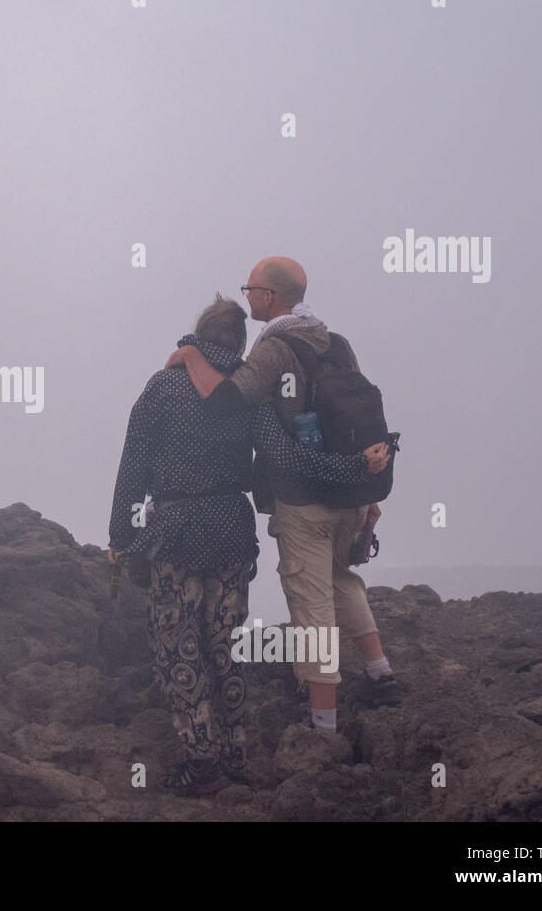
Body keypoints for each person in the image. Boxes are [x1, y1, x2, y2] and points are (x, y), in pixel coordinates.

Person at [109, 294, 388, 794]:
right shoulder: (249, 397)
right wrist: (355, 470)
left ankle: (203, 764)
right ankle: (234, 754)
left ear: (198, 334)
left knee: (179, 650)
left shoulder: (162, 387)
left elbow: (132, 468)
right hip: (231, 531)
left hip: (173, 531)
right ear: (240, 342)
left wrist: (121, 539)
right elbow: (289, 457)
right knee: (223, 646)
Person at [165, 257, 401, 735]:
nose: (247, 295)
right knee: (340, 579)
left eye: (250, 288)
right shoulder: (336, 342)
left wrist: (191, 356)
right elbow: (359, 422)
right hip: (351, 492)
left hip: (305, 500)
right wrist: (367, 490)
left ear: (268, 297)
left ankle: (323, 726)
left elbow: (229, 401)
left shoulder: (274, 347)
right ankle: (381, 674)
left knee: (311, 606)